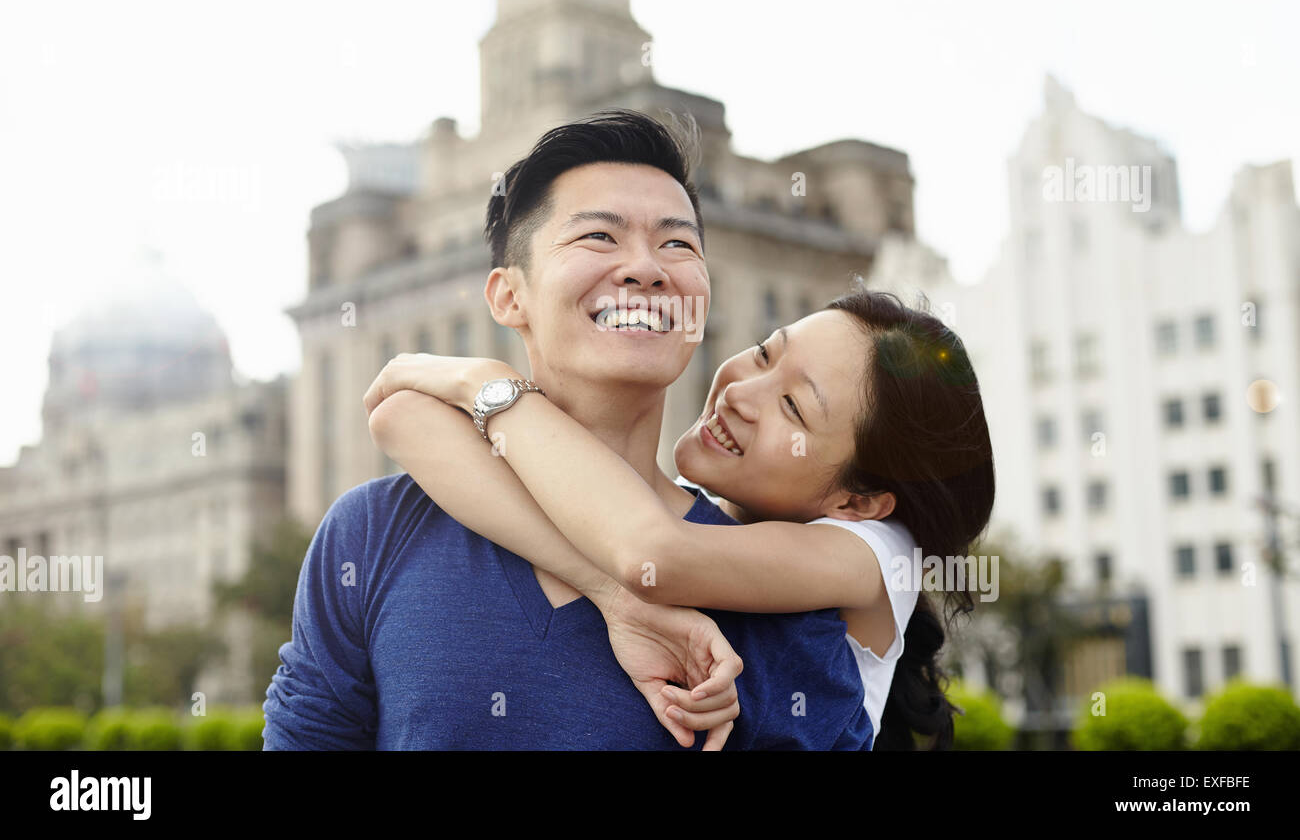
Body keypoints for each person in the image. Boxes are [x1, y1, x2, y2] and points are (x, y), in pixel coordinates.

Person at [263, 109, 875, 749]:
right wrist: (620, 598)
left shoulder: (770, 589)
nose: (646, 268)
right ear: (507, 297)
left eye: (678, 244)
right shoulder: (373, 533)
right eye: (599, 238)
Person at [367, 285, 995, 749]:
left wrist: (485, 381)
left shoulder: (877, 552)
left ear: (858, 501)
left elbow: (653, 557)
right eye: (762, 352)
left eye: (794, 408)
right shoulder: (696, 514)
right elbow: (402, 419)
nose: (741, 393)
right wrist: (613, 597)